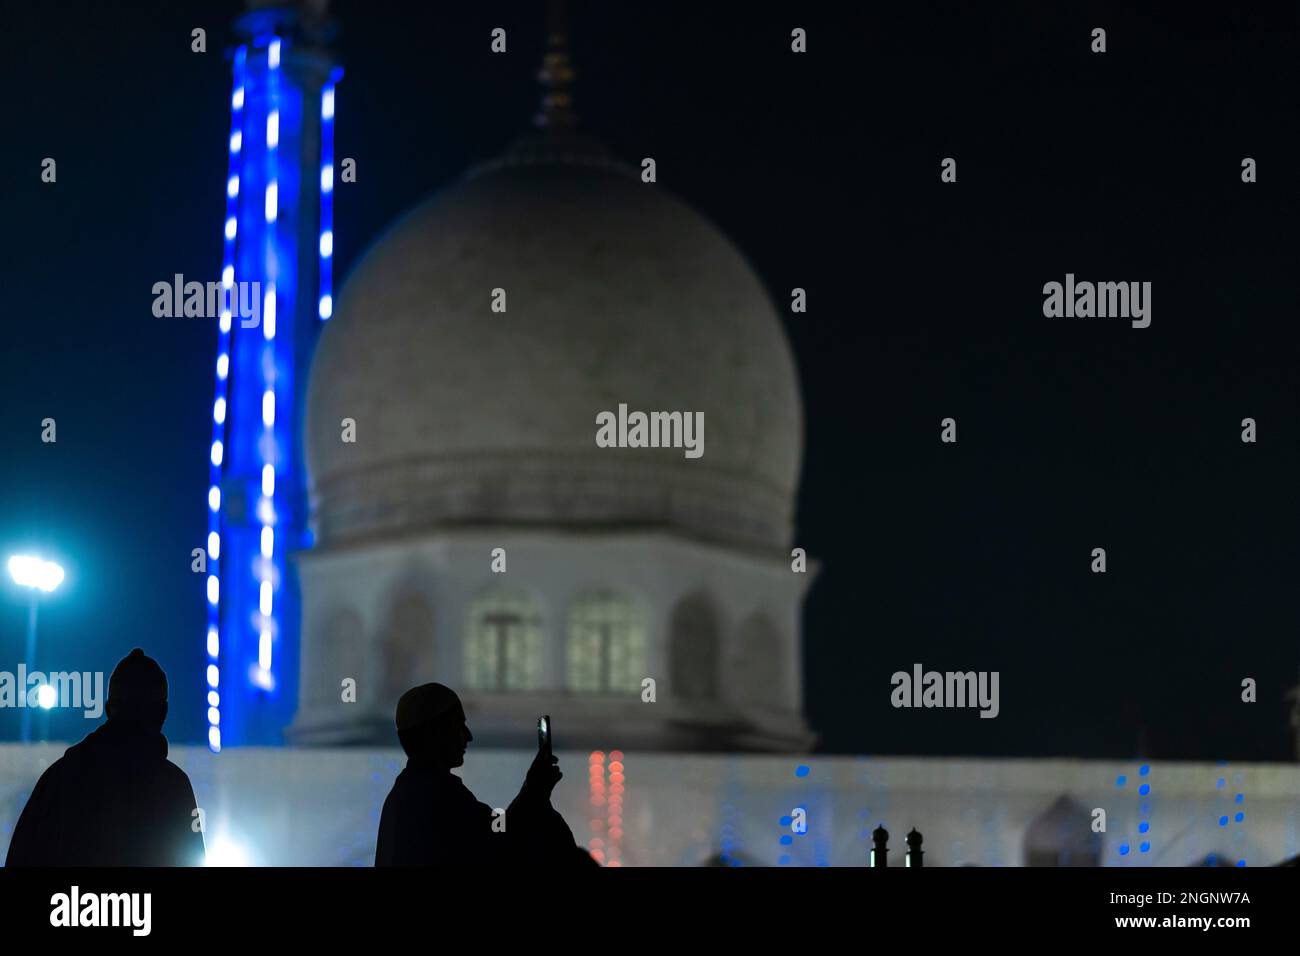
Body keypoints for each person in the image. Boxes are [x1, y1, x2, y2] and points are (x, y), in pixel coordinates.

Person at [5, 648, 206, 867]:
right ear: (162, 712)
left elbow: (21, 856)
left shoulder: (59, 778)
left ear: (108, 708)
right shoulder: (173, 787)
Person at [375, 682, 589, 866]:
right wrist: (533, 790)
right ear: (436, 733)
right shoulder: (438, 796)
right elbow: (500, 841)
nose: (468, 736)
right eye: (459, 725)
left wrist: (532, 791)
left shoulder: (405, 795)